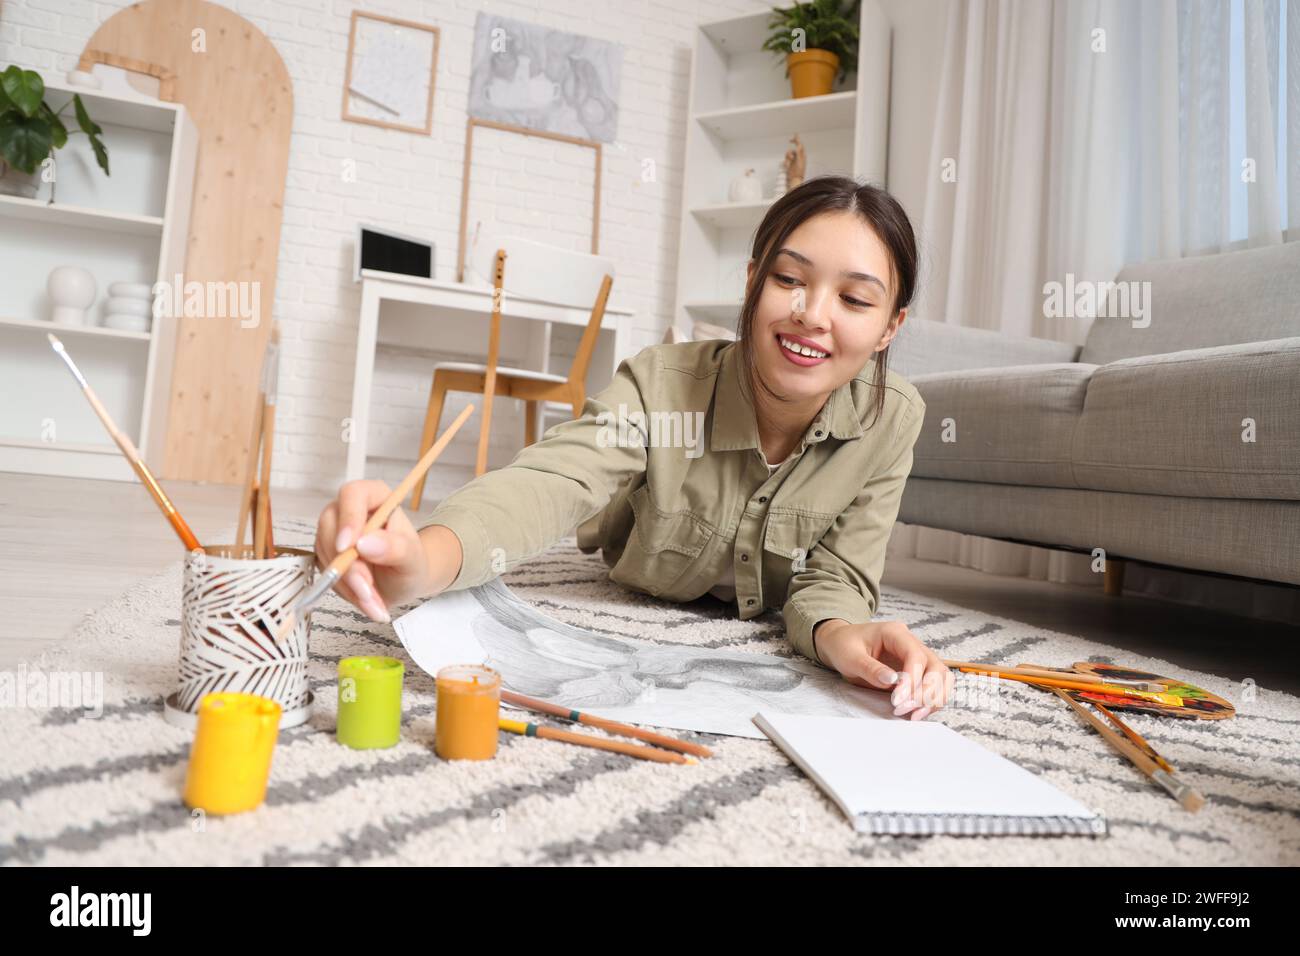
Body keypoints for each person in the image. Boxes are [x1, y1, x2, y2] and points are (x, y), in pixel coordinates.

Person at [314, 176, 955, 720]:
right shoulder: (661, 384)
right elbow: (554, 480)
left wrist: (844, 634)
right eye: (790, 278)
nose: (813, 314)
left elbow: (839, 574)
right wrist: (419, 559)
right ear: (754, 280)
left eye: (854, 299)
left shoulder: (892, 420)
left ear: (889, 327)